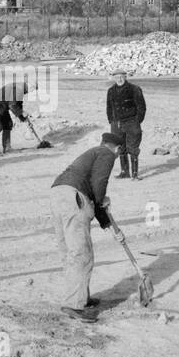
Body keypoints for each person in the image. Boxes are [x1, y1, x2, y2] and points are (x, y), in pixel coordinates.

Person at [49, 132, 123, 322]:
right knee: (81, 253)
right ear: (117, 148)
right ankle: (75, 305)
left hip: (58, 193)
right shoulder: (107, 154)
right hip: (74, 196)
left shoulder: (92, 152)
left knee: (69, 252)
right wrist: (101, 203)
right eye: (119, 152)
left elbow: (94, 190)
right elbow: (99, 185)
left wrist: (104, 220)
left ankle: (80, 297)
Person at [106, 68, 147, 180]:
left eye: (121, 76)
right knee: (121, 148)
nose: (119, 79)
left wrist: (137, 120)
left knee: (133, 148)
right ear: (114, 78)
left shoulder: (134, 89)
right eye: (116, 77)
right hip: (116, 124)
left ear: (125, 76)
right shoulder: (111, 91)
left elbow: (141, 107)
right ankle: (124, 172)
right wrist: (111, 121)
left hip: (132, 123)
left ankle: (135, 174)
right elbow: (109, 107)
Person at [0, 77, 28, 154]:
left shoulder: (20, 89)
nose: (30, 91)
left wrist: (23, 118)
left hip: (3, 105)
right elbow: (12, 105)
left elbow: (18, 105)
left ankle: (7, 148)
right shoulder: (18, 88)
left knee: (8, 124)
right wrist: (21, 114)